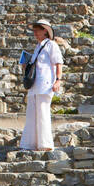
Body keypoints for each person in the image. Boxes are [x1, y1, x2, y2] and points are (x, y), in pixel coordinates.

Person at [19, 19, 63, 151]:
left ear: (45, 31)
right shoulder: (38, 47)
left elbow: (58, 62)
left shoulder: (51, 45)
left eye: (37, 30)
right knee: (32, 114)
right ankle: (29, 144)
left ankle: (45, 144)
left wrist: (58, 80)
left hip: (45, 84)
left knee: (43, 113)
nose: (35, 33)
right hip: (34, 85)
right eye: (34, 31)